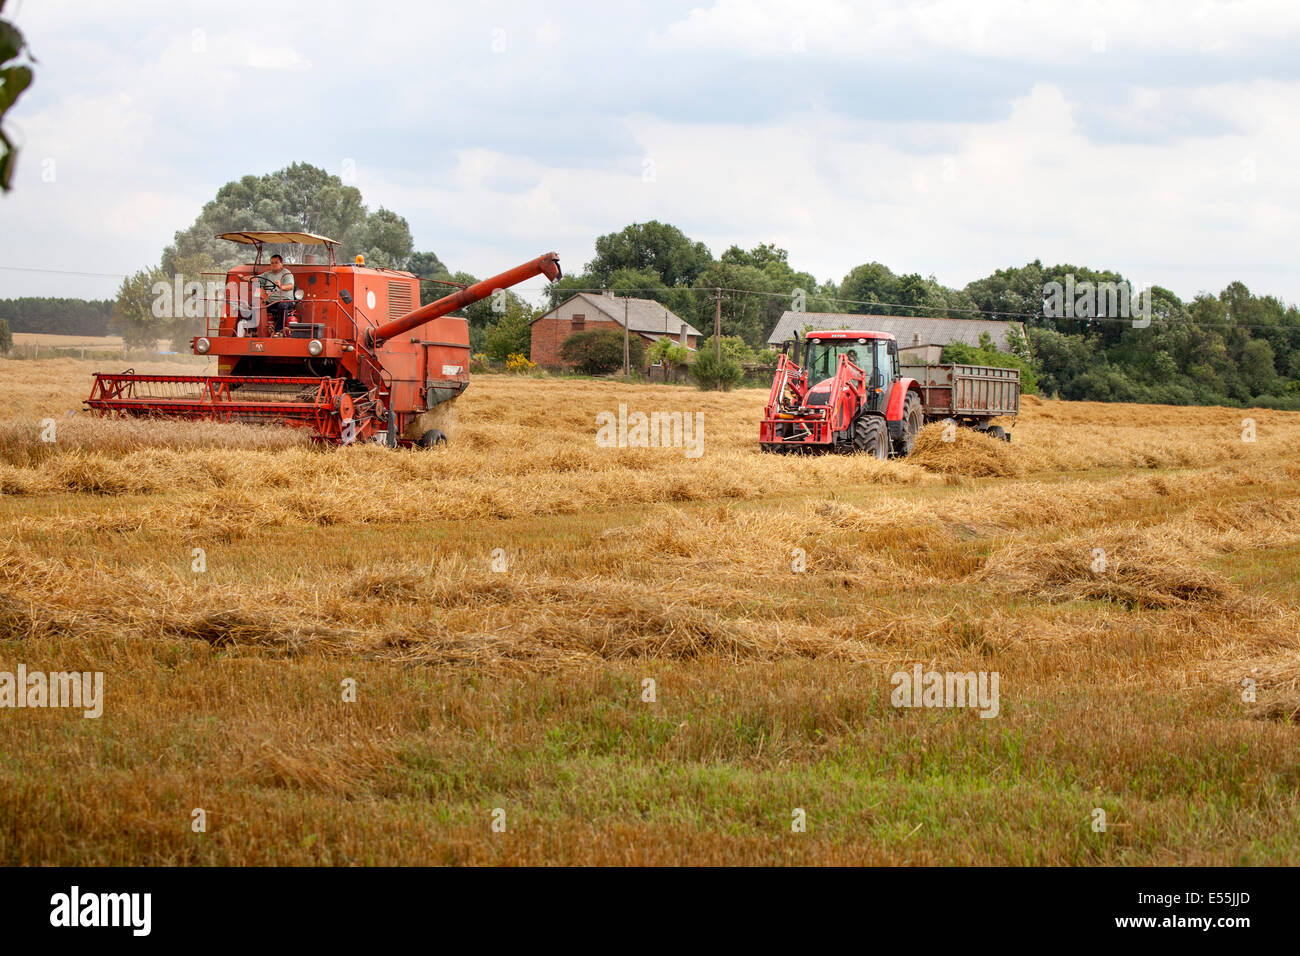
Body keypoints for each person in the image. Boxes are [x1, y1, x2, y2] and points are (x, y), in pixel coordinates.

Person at [256, 254, 295, 335]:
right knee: (255, 304)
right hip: (271, 301)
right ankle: (253, 329)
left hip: (285, 300)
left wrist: (281, 286)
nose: (273, 265)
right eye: (272, 263)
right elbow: (256, 278)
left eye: (276, 263)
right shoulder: (267, 274)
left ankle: (278, 330)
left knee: (282, 305)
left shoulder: (286, 274)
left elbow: (290, 286)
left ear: (281, 263)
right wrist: (244, 278)